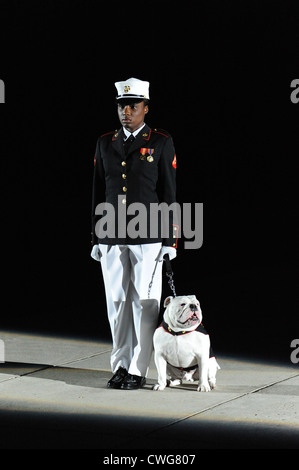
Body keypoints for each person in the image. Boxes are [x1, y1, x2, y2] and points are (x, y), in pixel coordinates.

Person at [91, 77, 178, 390]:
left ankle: (139, 369)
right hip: (112, 232)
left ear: (146, 107)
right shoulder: (105, 142)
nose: (126, 111)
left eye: (133, 105)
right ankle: (121, 364)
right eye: (121, 105)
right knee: (116, 301)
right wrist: (96, 236)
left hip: (149, 234)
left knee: (144, 302)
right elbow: (99, 191)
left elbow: (169, 193)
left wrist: (171, 239)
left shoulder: (160, 141)